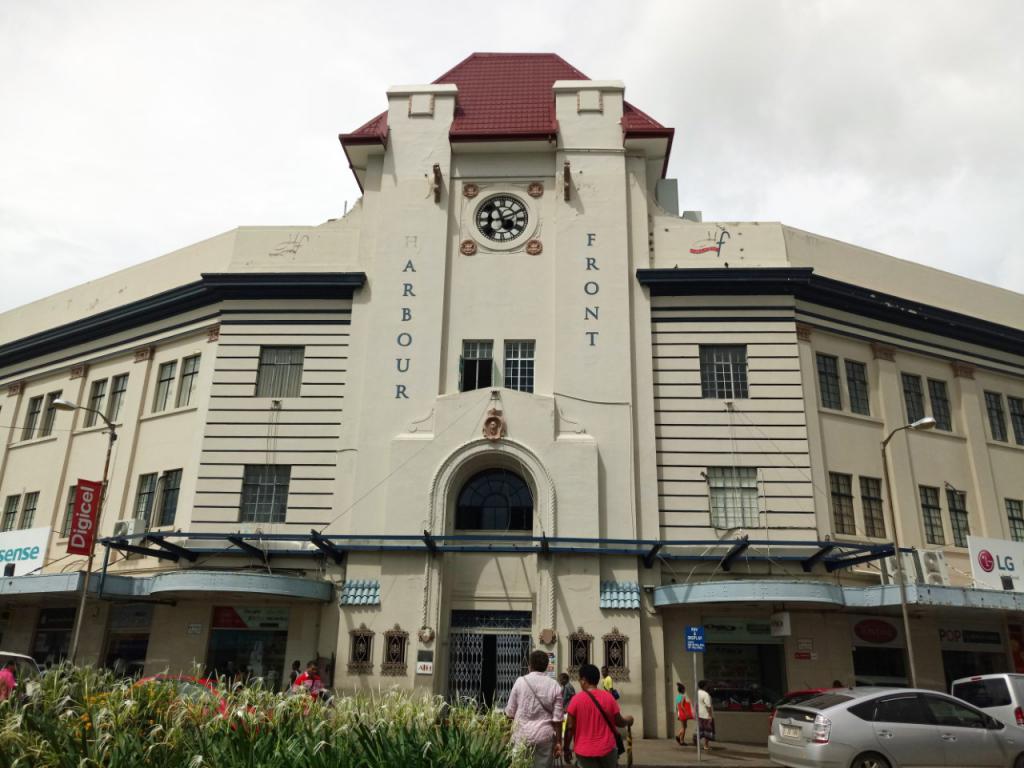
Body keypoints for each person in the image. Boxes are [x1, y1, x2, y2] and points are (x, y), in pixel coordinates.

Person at [566, 663, 633, 768]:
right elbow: (619, 721)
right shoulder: (609, 698)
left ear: (583, 680)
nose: (579, 682)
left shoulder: (576, 700)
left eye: (579, 680)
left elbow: (570, 727)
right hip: (608, 750)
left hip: (584, 751)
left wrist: (566, 748)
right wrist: (628, 720)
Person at [505, 650, 564, 768]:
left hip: (521, 735)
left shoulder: (520, 682)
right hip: (544, 737)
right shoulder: (555, 685)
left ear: (530, 665)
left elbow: (510, 712)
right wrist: (558, 741)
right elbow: (557, 719)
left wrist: (507, 735)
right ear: (547, 666)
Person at [559, 673, 577, 762]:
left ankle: (567, 752)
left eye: (561, 679)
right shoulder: (565, 686)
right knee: (565, 734)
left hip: (568, 712)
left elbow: (574, 697)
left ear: (565, 679)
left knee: (567, 732)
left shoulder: (568, 687)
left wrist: (567, 707)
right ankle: (567, 753)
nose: (559, 681)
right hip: (565, 711)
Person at [693, 679, 714, 751]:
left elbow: (696, 704)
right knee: (708, 731)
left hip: (699, 714)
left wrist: (695, 713)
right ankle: (706, 745)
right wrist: (710, 716)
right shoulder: (706, 694)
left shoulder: (697, 693)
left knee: (700, 729)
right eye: (707, 685)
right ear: (705, 686)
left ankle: (696, 739)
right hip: (706, 715)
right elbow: (708, 706)